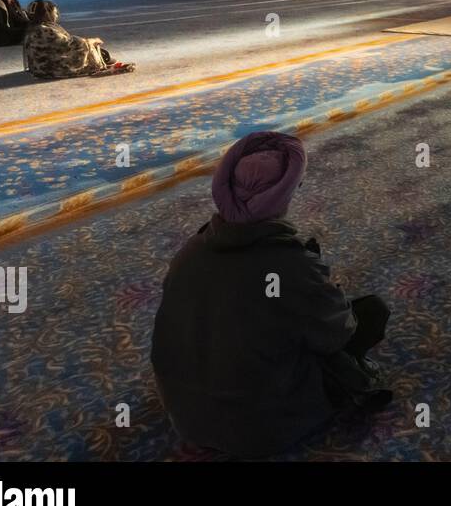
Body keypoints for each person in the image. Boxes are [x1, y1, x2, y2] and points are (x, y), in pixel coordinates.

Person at [152, 131, 392, 458]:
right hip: (259, 427)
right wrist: (320, 286)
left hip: (185, 416)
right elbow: (338, 332)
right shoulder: (289, 263)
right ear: (285, 195)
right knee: (371, 313)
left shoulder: (191, 249)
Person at [22, 0, 134, 78]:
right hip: (49, 69)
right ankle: (99, 62)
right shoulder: (44, 29)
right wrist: (90, 41)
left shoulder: (33, 27)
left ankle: (102, 57)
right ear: (47, 13)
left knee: (85, 44)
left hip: (37, 68)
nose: (56, 16)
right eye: (54, 13)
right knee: (85, 45)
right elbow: (68, 44)